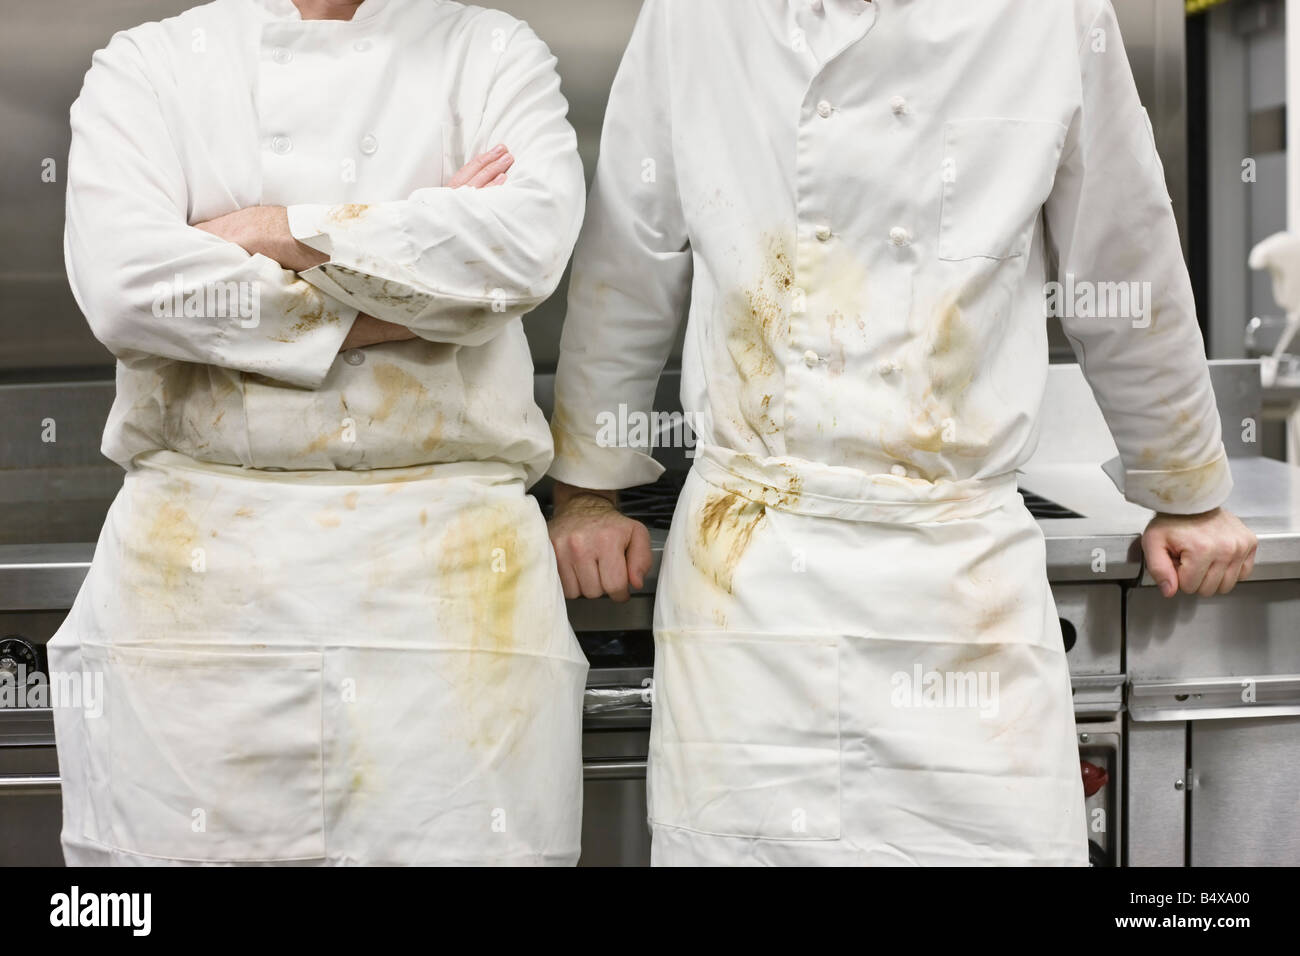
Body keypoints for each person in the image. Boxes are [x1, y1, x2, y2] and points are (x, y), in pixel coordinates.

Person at [547, 0, 1258, 865]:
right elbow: (630, 247)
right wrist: (586, 489)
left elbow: (1120, 253)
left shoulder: (1053, 15)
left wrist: (1183, 487)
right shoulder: (693, 15)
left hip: (959, 582)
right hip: (755, 579)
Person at [49, 0, 588, 866]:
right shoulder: (147, 65)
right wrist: (412, 279)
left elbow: (518, 254)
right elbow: (125, 290)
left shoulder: (489, 52)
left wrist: (272, 230)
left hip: (448, 598)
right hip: (197, 599)